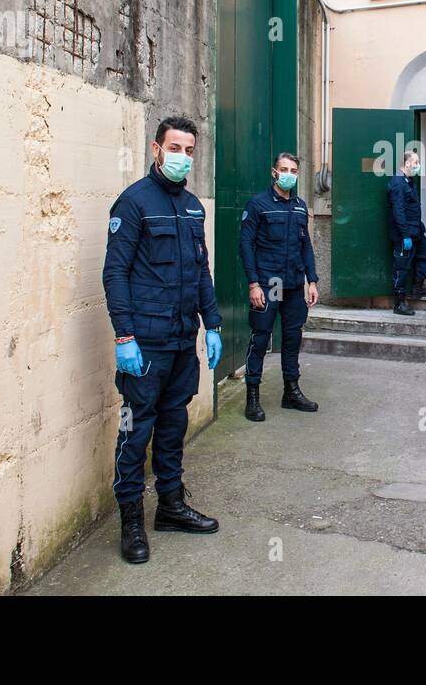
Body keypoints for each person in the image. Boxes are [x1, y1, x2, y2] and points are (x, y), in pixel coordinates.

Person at [103, 115, 223, 565]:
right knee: (136, 431)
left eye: (190, 150)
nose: (182, 157)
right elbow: (115, 272)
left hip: (180, 341)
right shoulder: (132, 203)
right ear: (156, 149)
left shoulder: (193, 207)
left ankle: (170, 506)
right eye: (175, 148)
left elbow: (201, 271)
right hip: (145, 344)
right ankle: (131, 519)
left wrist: (212, 324)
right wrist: (124, 336)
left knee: (174, 426)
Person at [239, 152, 321, 423]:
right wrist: (254, 283)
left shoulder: (299, 206)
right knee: (261, 336)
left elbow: (305, 245)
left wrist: (313, 280)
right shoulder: (258, 205)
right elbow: (246, 246)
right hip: (269, 282)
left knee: (292, 338)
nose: (288, 174)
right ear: (274, 172)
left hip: (295, 284)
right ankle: (252, 395)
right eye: (284, 169)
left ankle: (291, 391)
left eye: (293, 170)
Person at [387, 149, 426, 316]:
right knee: (401, 267)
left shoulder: (408, 181)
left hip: (415, 231)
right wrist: (405, 235)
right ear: (407, 163)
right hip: (404, 234)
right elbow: (398, 212)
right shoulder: (398, 183)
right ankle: (399, 303)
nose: (418, 165)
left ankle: (417, 286)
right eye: (415, 162)